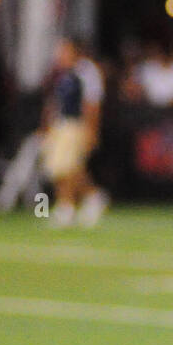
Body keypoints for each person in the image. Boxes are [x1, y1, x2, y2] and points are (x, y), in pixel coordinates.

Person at [40, 37, 108, 227]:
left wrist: (92, 130)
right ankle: (92, 197)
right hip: (60, 124)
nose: (60, 55)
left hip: (76, 124)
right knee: (58, 168)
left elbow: (92, 103)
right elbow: (54, 102)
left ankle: (67, 206)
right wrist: (47, 125)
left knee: (68, 166)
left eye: (64, 51)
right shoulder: (62, 73)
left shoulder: (87, 71)